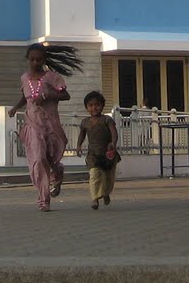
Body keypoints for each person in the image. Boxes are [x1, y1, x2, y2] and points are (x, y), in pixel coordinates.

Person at [8, 41, 70, 212]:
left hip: (50, 124)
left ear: (44, 60)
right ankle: (44, 199)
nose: (35, 63)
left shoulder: (52, 77)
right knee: (38, 158)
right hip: (33, 123)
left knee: (50, 158)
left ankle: (57, 174)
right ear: (28, 59)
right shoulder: (24, 78)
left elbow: (66, 95)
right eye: (32, 59)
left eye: (39, 60)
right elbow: (25, 96)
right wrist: (15, 107)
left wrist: (47, 95)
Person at [75, 90, 119, 210]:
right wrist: (78, 146)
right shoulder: (85, 122)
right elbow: (82, 135)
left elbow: (114, 133)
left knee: (108, 177)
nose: (94, 108)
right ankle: (94, 198)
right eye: (91, 105)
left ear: (102, 106)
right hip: (93, 154)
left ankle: (106, 193)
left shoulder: (107, 120)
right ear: (86, 107)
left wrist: (113, 143)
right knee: (94, 174)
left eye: (97, 105)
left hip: (108, 154)